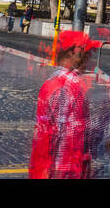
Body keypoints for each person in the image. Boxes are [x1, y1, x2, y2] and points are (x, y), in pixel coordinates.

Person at [29, 30, 103, 178]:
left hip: (62, 161)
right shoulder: (68, 85)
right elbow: (60, 129)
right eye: (82, 56)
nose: (86, 62)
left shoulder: (55, 81)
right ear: (70, 56)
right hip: (65, 163)